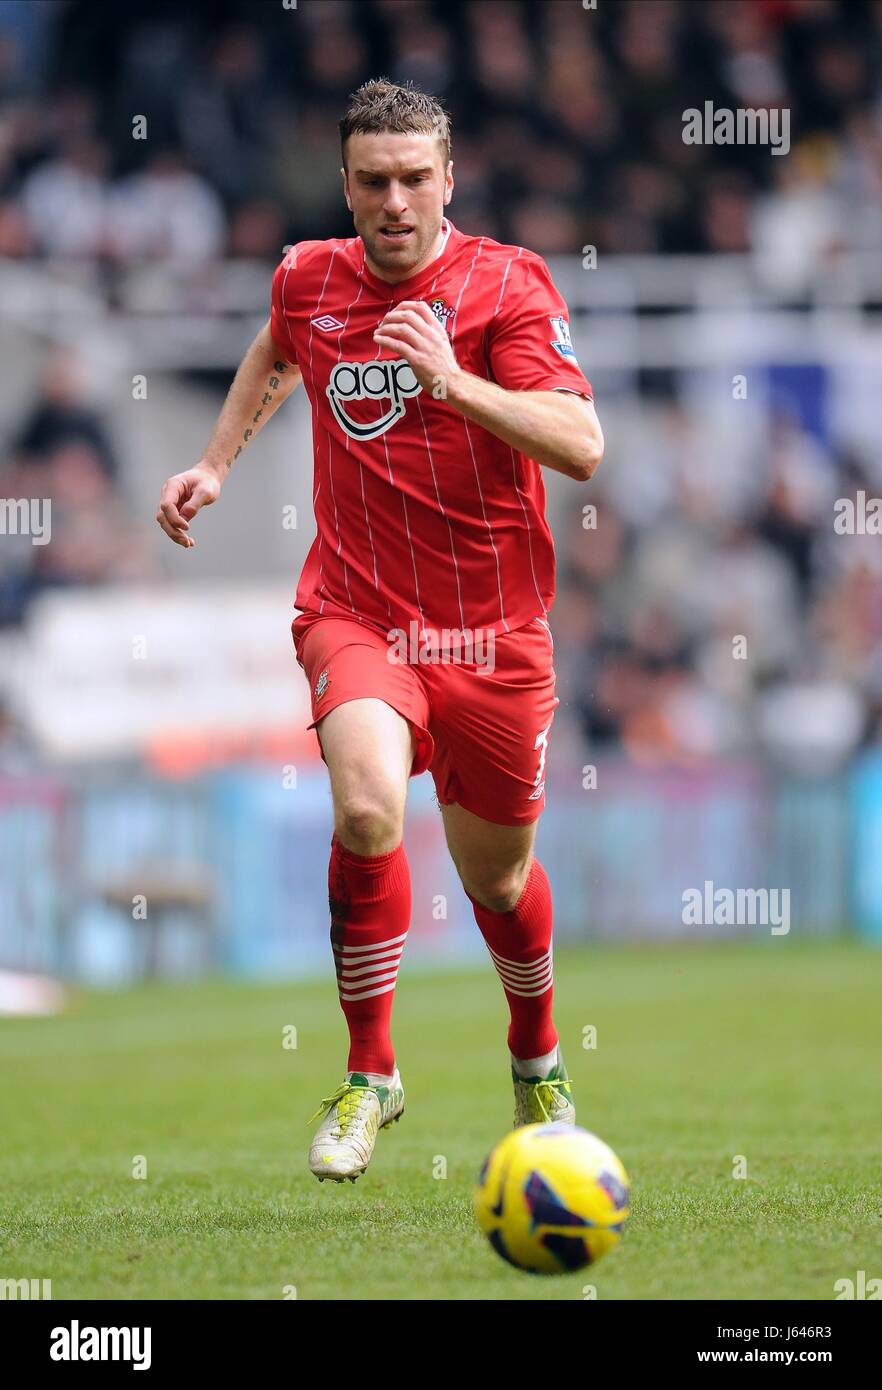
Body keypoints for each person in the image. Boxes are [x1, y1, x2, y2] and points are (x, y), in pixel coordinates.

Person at [157, 78, 604, 1183]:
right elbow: (276, 350)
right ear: (346, 185)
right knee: (365, 807)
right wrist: (216, 462)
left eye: (415, 179)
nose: (394, 200)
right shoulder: (310, 277)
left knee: (498, 882)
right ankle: (371, 1074)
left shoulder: (508, 283)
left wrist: (452, 384)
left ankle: (536, 1050)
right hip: (357, 610)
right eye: (373, 181)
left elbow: (581, 441)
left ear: (448, 181)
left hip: (495, 631)